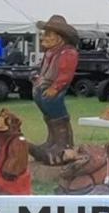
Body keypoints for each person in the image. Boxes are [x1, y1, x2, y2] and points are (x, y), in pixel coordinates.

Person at [28, 15, 79, 165]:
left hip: (53, 89)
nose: (43, 38)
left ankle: (63, 143)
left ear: (59, 37)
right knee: (48, 114)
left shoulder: (67, 53)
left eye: (48, 34)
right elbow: (44, 69)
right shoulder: (50, 53)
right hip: (43, 87)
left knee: (57, 113)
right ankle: (52, 140)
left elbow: (65, 73)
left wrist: (55, 87)